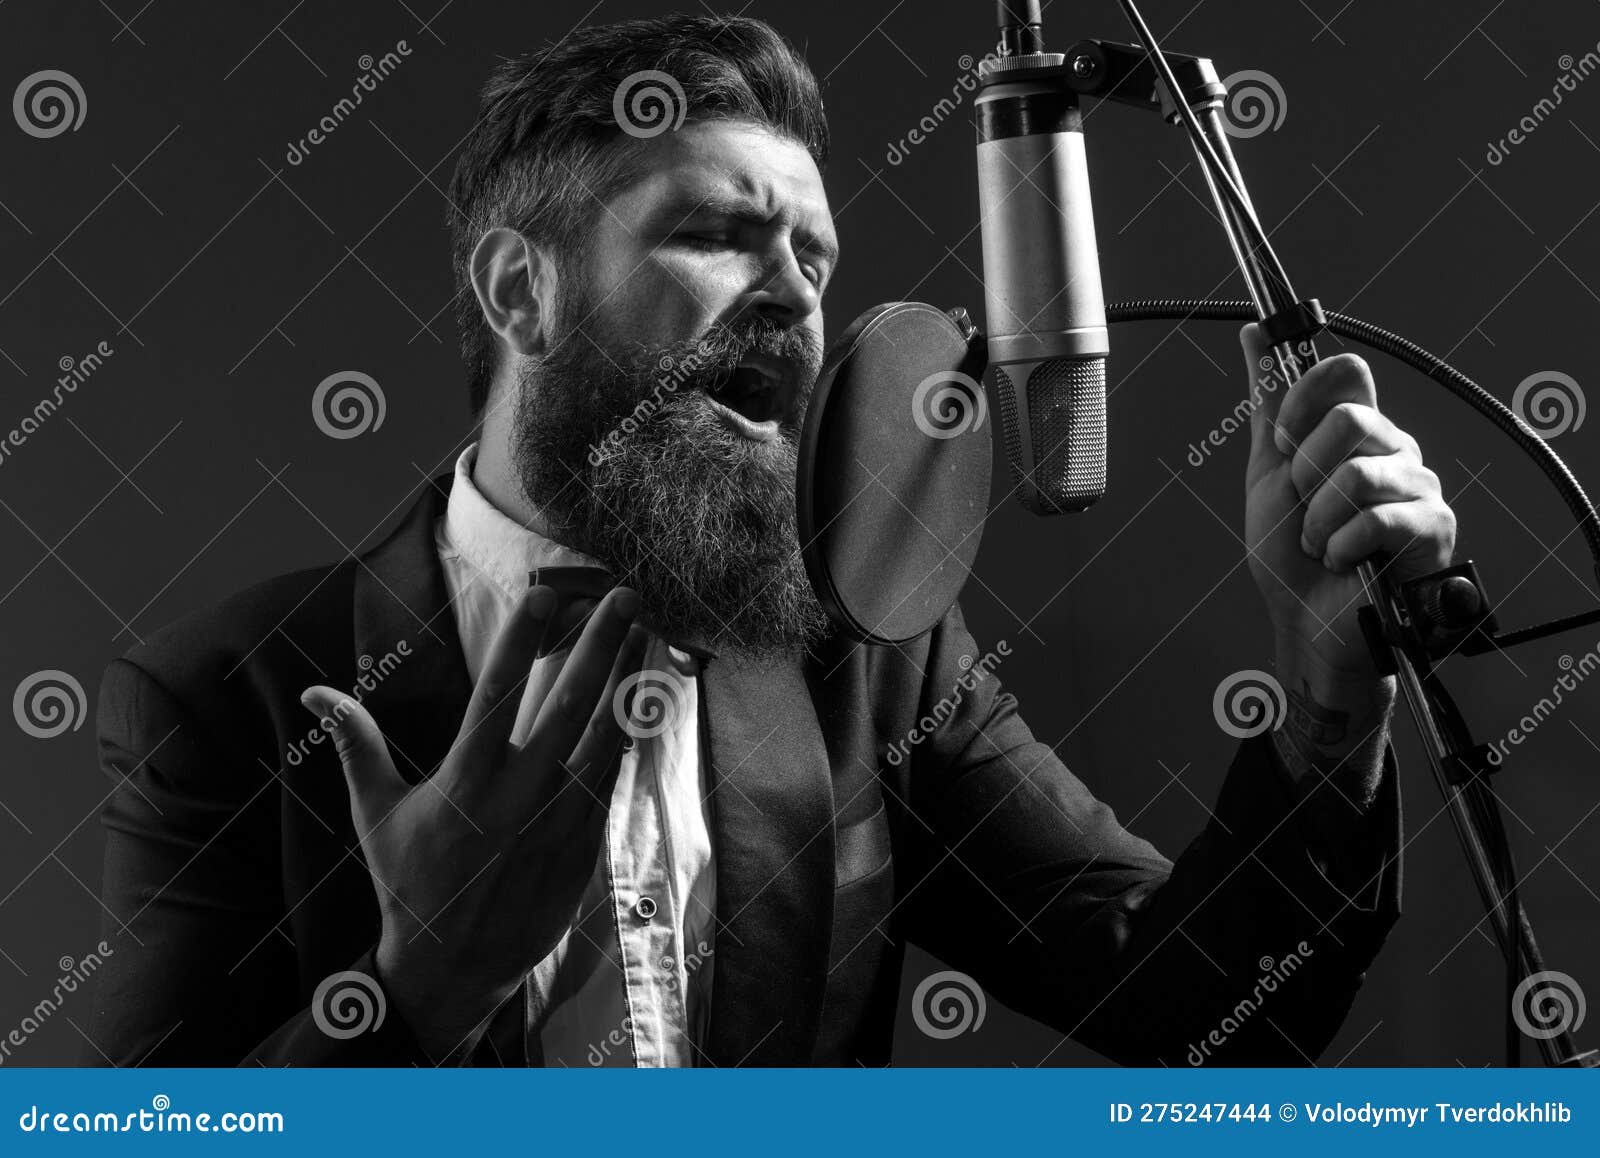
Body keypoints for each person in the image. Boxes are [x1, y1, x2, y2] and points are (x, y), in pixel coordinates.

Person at [87, 14, 1453, 1067]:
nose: (796, 299)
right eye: (720, 236)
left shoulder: (869, 657)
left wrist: (1329, 701)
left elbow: (1207, 1010)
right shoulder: (230, 696)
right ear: (521, 287)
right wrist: (413, 995)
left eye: (815, 257)